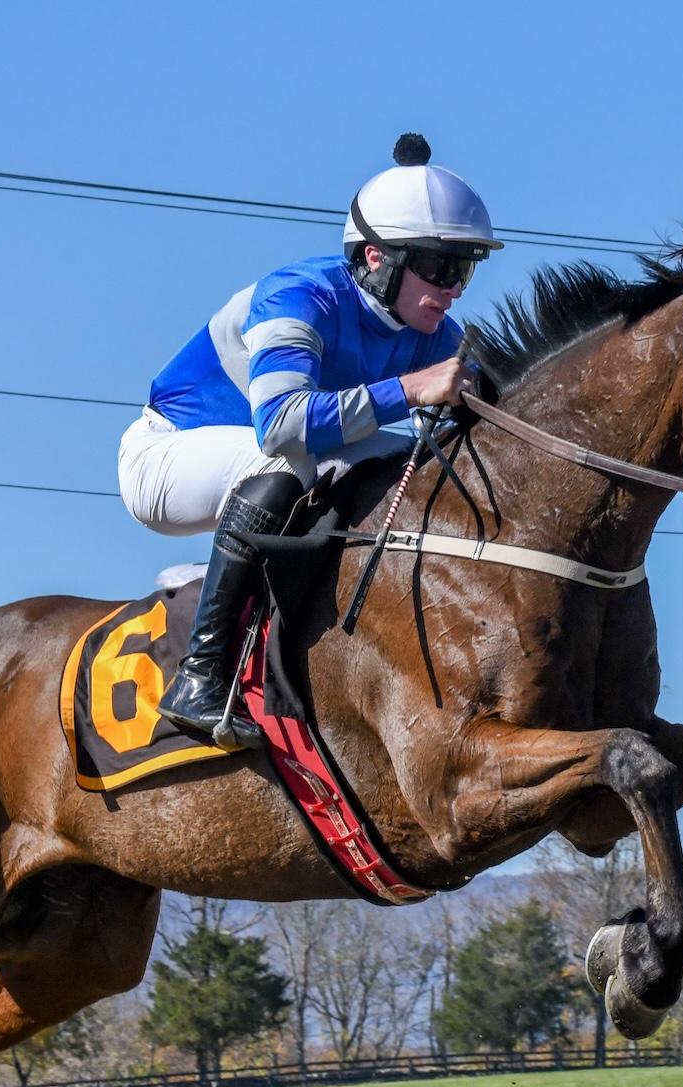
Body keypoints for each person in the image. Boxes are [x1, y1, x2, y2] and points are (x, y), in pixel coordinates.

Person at [118, 134, 500, 748]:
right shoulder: (299, 296)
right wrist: (409, 389)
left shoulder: (431, 329)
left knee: (405, 460)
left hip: (266, 457)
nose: (456, 287)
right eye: (440, 266)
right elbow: (282, 425)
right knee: (295, 459)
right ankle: (199, 676)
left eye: (466, 267)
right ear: (376, 257)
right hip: (165, 459)